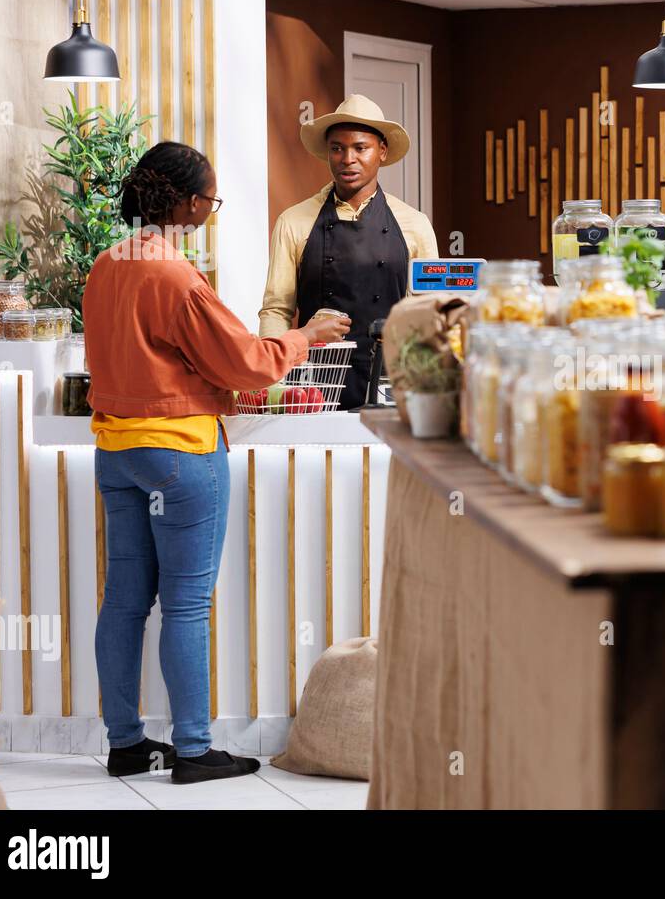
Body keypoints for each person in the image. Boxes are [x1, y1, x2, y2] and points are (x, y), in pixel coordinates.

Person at [84, 141, 350, 784]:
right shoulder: (173, 274)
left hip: (116, 451)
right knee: (185, 604)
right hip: (180, 451)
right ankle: (196, 751)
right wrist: (304, 336)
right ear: (186, 201)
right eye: (210, 199)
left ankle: (126, 745)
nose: (211, 209)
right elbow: (244, 363)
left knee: (123, 600)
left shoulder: (109, 264)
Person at [259, 94, 440, 409]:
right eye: (337, 148)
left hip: (392, 385)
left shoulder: (415, 224)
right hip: (316, 384)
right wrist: (271, 383)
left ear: (382, 152)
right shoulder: (293, 221)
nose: (347, 159)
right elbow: (277, 310)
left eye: (360, 148)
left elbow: (428, 315)